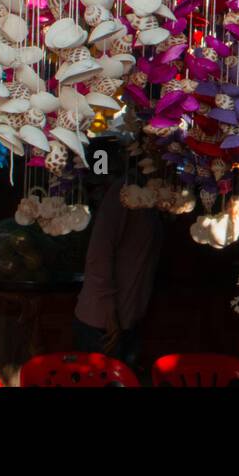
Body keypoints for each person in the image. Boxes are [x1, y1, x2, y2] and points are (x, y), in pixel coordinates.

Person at [72, 147, 162, 367]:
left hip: (127, 319)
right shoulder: (124, 191)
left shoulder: (153, 194)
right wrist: (108, 314)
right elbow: (99, 253)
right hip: (104, 323)